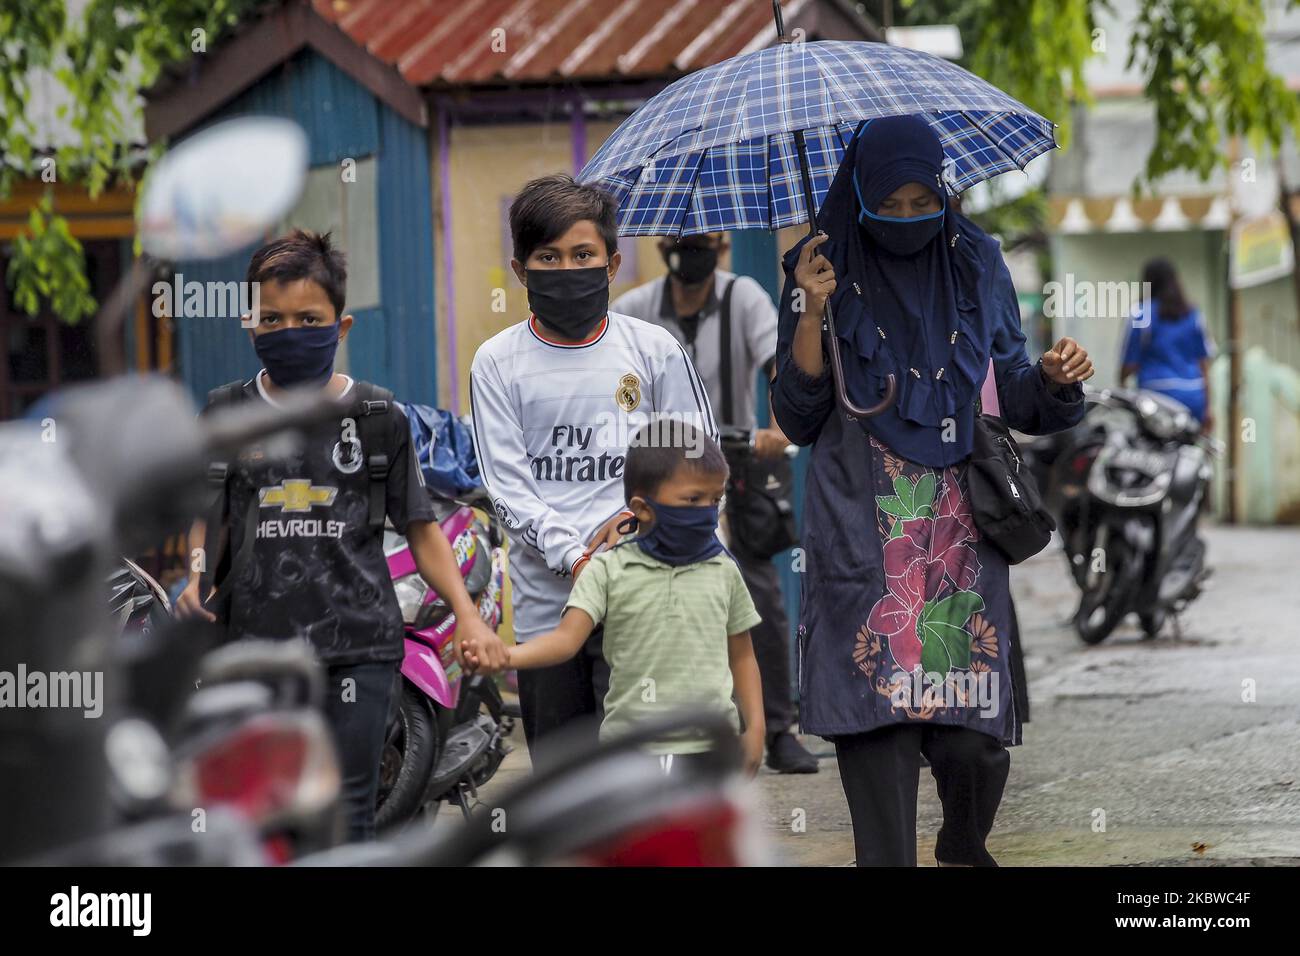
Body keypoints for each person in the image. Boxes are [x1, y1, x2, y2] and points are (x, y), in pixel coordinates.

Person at [771, 116, 1094, 866]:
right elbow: (795, 414)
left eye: (926, 202)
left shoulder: (976, 263)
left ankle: (961, 841)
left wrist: (1051, 379)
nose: (912, 218)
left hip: (960, 530)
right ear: (861, 194)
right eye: (895, 202)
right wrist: (812, 309)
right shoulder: (821, 266)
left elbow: (1012, 392)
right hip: (863, 526)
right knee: (876, 723)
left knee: (972, 736)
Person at [175, 229, 507, 841]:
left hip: (360, 647)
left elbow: (421, 528)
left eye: (308, 318)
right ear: (250, 324)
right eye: (272, 318)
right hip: (253, 651)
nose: (290, 331)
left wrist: (468, 615)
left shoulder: (379, 418)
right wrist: (195, 570)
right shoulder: (225, 413)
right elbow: (208, 511)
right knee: (262, 815)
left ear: (341, 325)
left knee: (349, 811)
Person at [469, 174, 718, 766]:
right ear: (520, 270)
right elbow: (508, 489)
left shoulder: (655, 350)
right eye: (548, 257)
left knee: (648, 784)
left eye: (583, 254)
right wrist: (578, 558)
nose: (567, 267)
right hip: (546, 615)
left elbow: (699, 463)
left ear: (611, 263)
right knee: (564, 790)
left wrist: (642, 531)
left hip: (648, 599)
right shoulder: (497, 363)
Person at [612, 233, 818, 773]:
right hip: (657, 476)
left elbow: (778, 365)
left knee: (756, 593)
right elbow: (612, 380)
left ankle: (777, 728)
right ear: (661, 246)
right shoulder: (635, 309)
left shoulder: (743, 297)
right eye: (680, 242)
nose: (690, 250)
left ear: (722, 244)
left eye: (702, 242)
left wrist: (776, 428)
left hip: (733, 469)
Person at [477, 422, 765, 776]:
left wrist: (756, 728)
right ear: (642, 508)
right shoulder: (607, 571)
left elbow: (743, 655)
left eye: (714, 499)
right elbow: (566, 641)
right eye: (692, 500)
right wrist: (505, 657)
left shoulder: (723, 570)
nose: (707, 511)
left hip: (711, 752)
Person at [1121, 257, 1215, 431]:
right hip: (1193, 396)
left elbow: (1130, 364)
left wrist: (1121, 385)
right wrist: (1208, 407)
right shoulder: (1193, 314)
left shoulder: (1141, 314)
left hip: (1156, 398)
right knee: (1190, 451)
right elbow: (1203, 364)